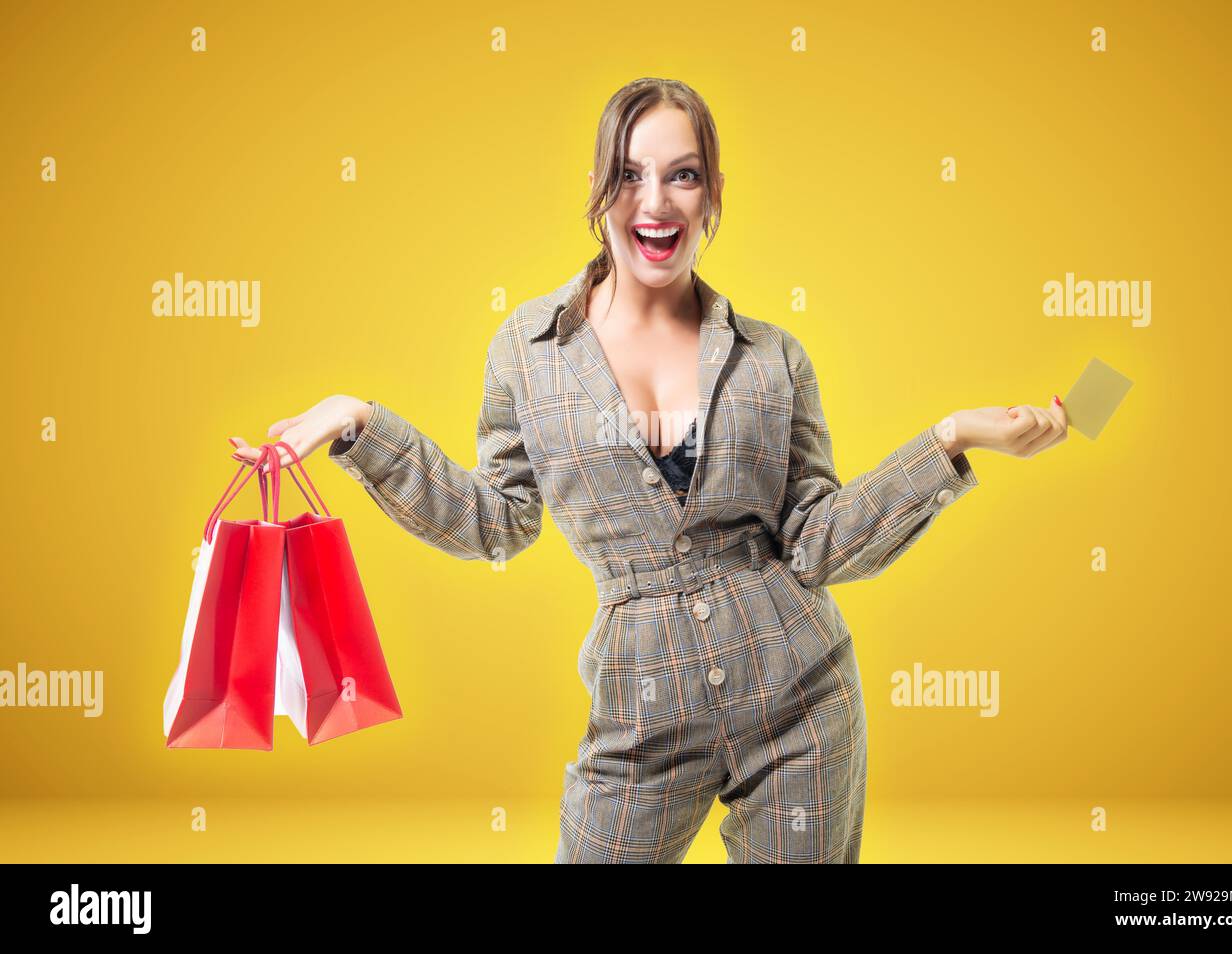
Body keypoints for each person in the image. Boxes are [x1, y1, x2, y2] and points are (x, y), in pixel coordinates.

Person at [231, 78, 1067, 863]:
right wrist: (360, 426)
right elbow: (495, 524)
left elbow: (816, 546)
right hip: (640, 716)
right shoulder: (529, 354)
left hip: (805, 701)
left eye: (683, 175)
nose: (656, 202)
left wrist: (952, 442)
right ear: (598, 186)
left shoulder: (774, 359)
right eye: (629, 174)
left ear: (712, 193)